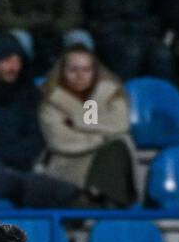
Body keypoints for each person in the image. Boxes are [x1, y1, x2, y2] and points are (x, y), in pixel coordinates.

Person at [0, 32, 85, 208]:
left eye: (18, 60)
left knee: (67, 189)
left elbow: (35, 142)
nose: (14, 67)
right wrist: (9, 139)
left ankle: (67, 230)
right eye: (7, 60)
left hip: (19, 173)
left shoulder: (30, 95)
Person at [39, 47, 138, 207]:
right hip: (68, 165)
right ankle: (97, 204)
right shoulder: (51, 99)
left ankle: (102, 203)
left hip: (108, 163)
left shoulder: (110, 93)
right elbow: (61, 140)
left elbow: (120, 124)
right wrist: (103, 135)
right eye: (73, 70)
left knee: (119, 145)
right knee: (114, 145)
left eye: (86, 70)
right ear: (62, 71)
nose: (80, 76)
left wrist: (78, 121)